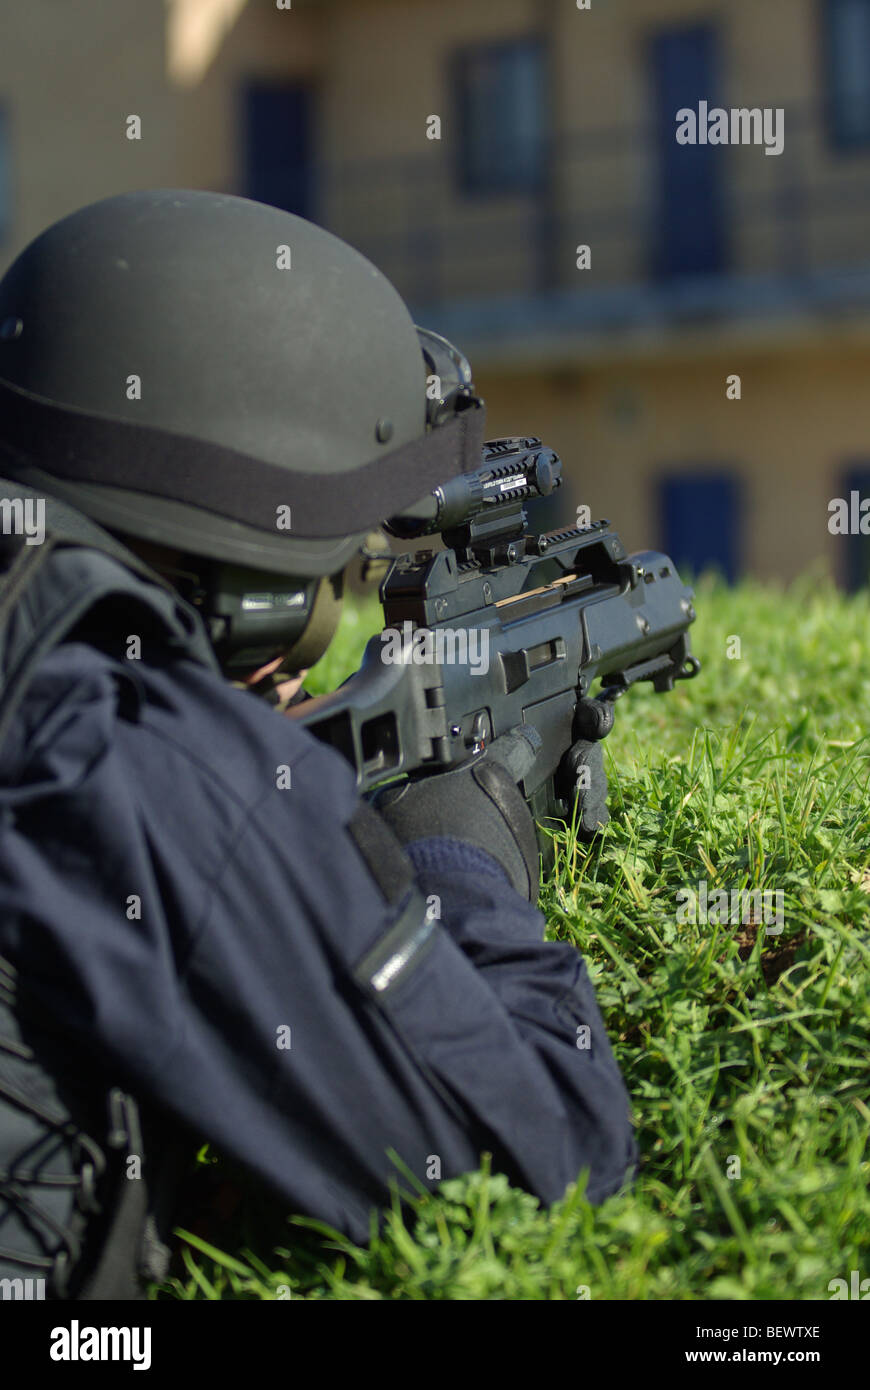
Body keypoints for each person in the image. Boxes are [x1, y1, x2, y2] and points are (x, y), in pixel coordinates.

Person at [0, 189, 634, 1301]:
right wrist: (455, 853)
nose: (348, 600)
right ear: (245, 575)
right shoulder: (127, 751)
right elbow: (547, 1158)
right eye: (340, 572)